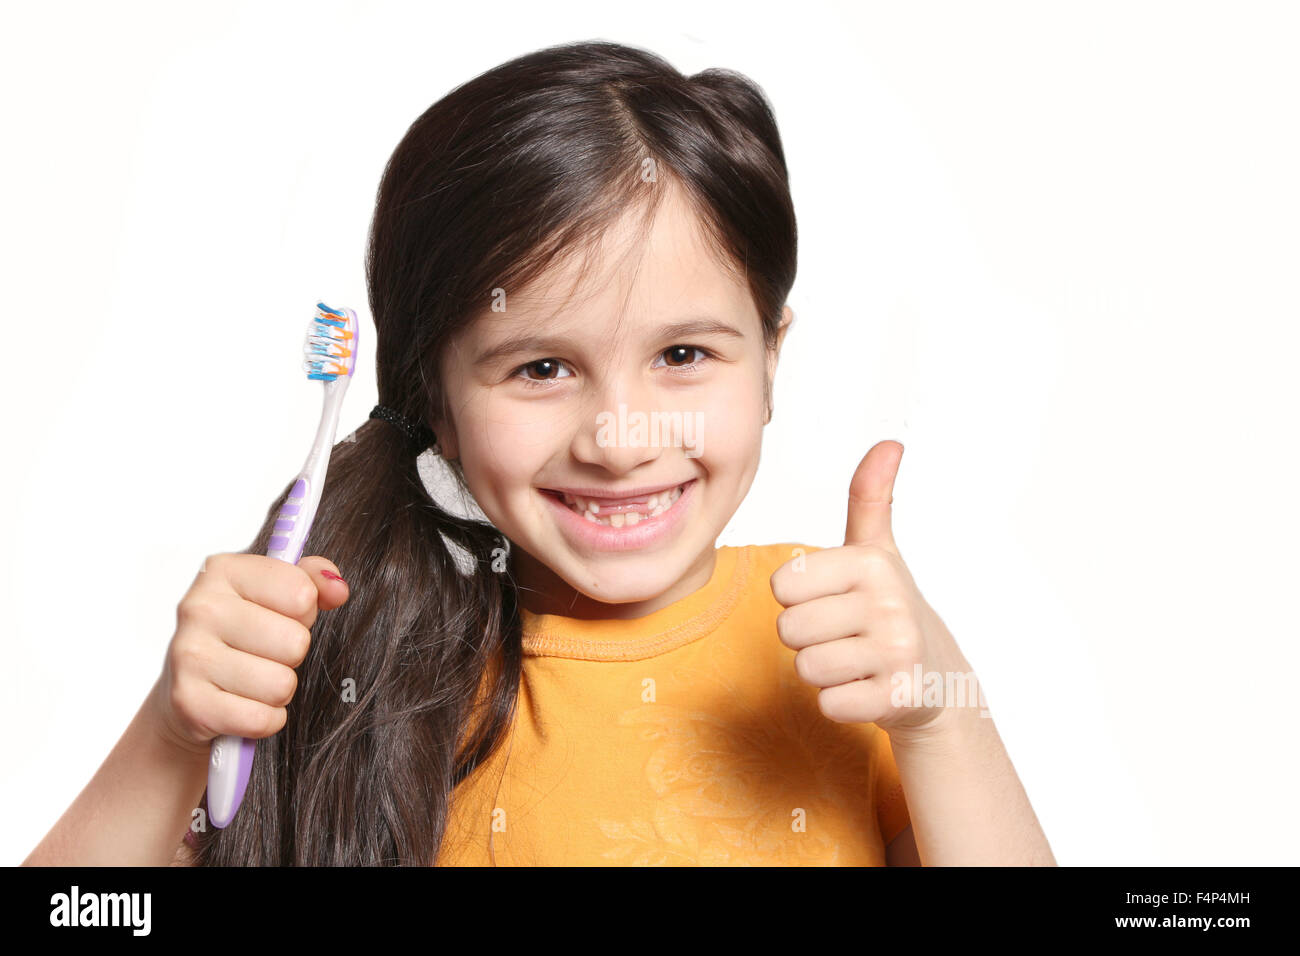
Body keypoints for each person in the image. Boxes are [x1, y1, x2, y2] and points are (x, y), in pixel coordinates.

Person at [23, 39, 1054, 867]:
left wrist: (941, 719)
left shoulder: (848, 657)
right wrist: (171, 733)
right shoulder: (323, 656)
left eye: (683, 353)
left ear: (772, 355)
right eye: (540, 368)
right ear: (434, 390)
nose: (618, 439)